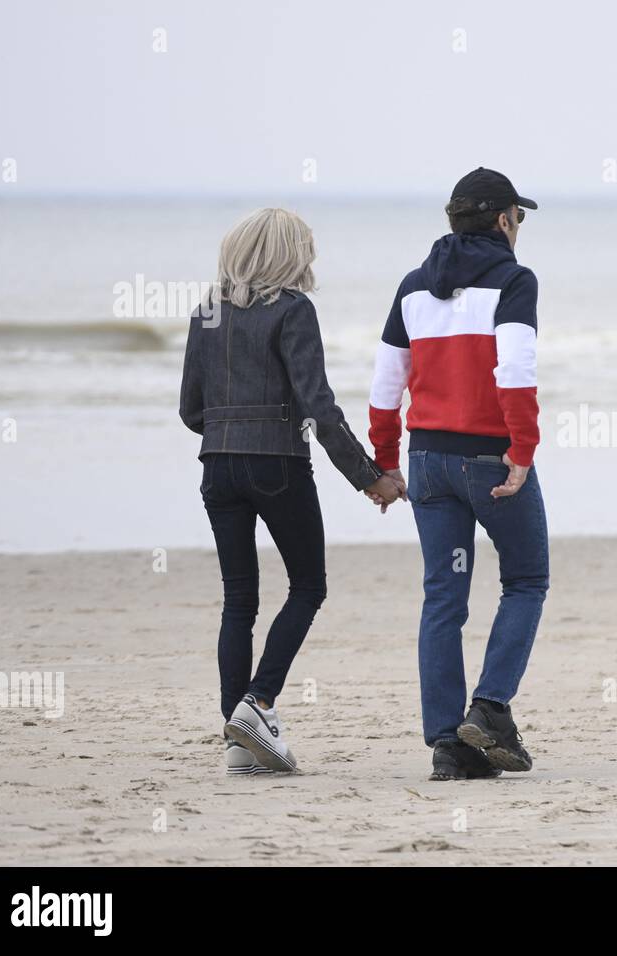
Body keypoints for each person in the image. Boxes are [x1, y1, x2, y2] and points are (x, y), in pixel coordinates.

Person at [180, 208, 404, 775]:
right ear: (288, 255)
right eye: (307, 250)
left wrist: (228, 430)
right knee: (308, 586)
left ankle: (238, 742)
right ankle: (258, 703)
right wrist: (371, 476)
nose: (312, 261)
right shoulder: (294, 310)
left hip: (217, 465)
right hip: (276, 463)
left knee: (239, 599)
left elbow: (190, 409)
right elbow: (319, 406)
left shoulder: (207, 310)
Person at [369, 168, 549, 781]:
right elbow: (515, 371)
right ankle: (490, 710)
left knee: (443, 596)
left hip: (427, 463)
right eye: (517, 217)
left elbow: (385, 382)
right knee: (525, 581)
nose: (518, 227)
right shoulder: (513, 280)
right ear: (503, 220)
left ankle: (449, 745)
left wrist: (386, 458)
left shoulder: (413, 286)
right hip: (489, 458)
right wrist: (522, 448)